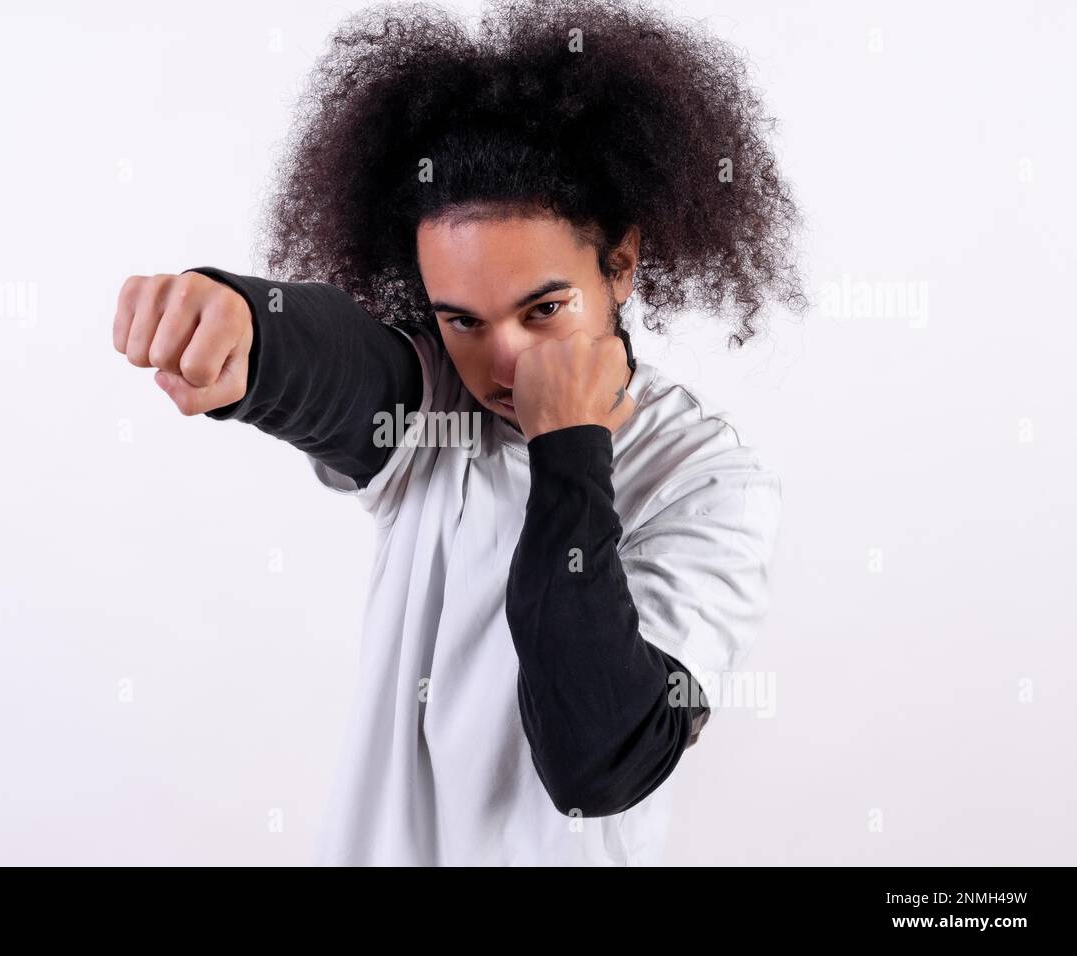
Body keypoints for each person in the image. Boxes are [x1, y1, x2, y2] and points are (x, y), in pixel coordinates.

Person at [112, 0, 803, 865]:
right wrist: (245, 320)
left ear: (621, 263)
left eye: (544, 308)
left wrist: (569, 444)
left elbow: (598, 761)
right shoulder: (433, 410)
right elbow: (343, 367)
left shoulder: (708, 482)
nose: (504, 361)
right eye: (462, 320)